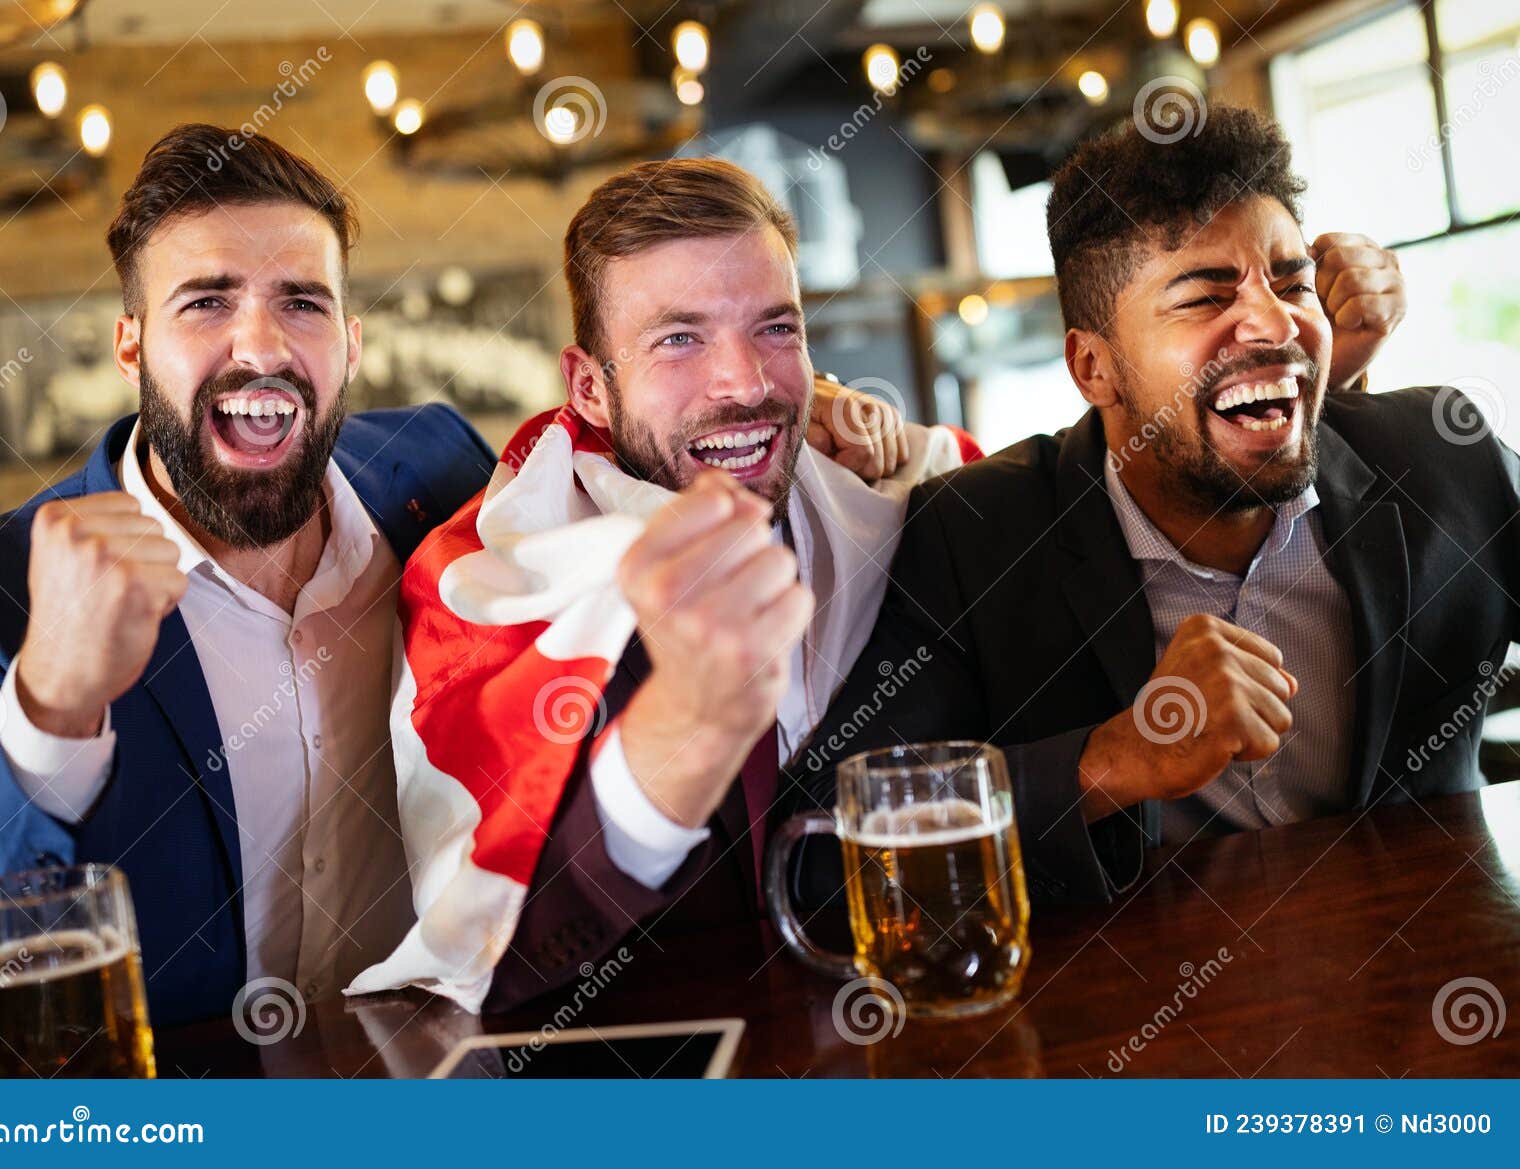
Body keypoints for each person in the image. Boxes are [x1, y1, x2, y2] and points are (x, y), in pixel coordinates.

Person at [348, 153, 1403, 1013]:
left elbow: (1089, 482)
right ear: (589, 383)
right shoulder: (503, 581)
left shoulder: (884, 503)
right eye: (678, 338)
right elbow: (499, 954)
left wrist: (1312, 376)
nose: (743, 381)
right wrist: (675, 734)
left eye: (777, 327)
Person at [797, 105, 1511, 906]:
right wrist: (1115, 758)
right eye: (1207, 297)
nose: (1276, 322)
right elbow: (824, 854)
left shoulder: (1447, 462)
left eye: (1291, 282)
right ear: (1094, 368)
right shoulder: (977, 537)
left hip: (1435, 984)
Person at [0, 124, 496, 1028]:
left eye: (301, 302)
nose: (261, 348)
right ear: (130, 346)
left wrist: (795, 444)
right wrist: (49, 708)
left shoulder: (442, 473)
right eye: (206, 302)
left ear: (351, 343)